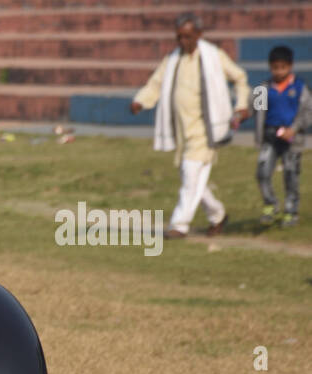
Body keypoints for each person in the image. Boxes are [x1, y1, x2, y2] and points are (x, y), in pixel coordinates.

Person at [131, 13, 249, 238]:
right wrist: (140, 100)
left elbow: (240, 77)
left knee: (191, 174)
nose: (182, 42)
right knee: (193, 179)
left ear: (198, 34)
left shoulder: (214, 56)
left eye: (187, 37)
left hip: (206, 131)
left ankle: (179, 225)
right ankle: (218, 215)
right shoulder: (173, 58)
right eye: (179, 37)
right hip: (181, 132)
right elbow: (155, 83)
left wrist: (242, 106)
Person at [254, 45, 312, 228]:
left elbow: (308, 112)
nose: (279, 72)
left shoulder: (300, 87)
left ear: (290, 66)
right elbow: (255, 111)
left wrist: (294, 129)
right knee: (262, 172)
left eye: (283, 67)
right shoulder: (263, 88)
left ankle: (290, 211)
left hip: (291, 139)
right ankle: (270, 205)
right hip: (270, 137)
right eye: (275, 68)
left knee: (290, 174)